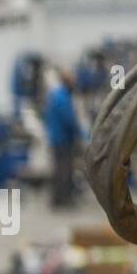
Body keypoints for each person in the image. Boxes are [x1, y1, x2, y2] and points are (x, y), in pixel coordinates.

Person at [45, 68, 83, 208]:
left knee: (59, 170)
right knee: (64, 171)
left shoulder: (56, 95)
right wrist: (78, 131)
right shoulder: (62, 97)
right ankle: (63, 199)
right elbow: (68, 119)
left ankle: (58, 198)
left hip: (56, 138)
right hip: (63, 139)